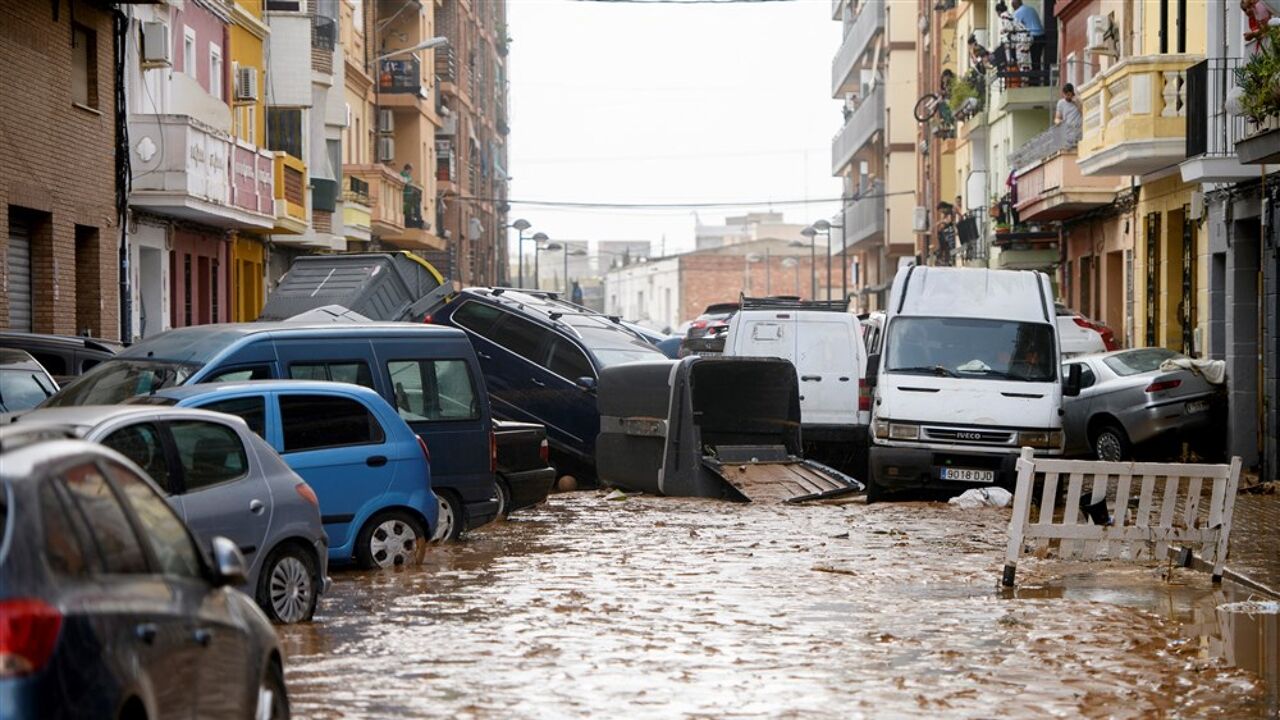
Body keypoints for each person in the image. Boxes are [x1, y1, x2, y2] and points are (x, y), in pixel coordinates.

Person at [1011, 0, 1046, 84]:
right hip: (1041, 35)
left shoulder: (1017, 12)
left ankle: (1032, 81)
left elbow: (1013, 28)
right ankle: (1037, 81)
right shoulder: (1031, 9)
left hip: (1032, 37)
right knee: (1036, 60)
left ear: (1016, 5)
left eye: (1013, 7)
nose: (1013, 9)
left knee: (1028, 60)